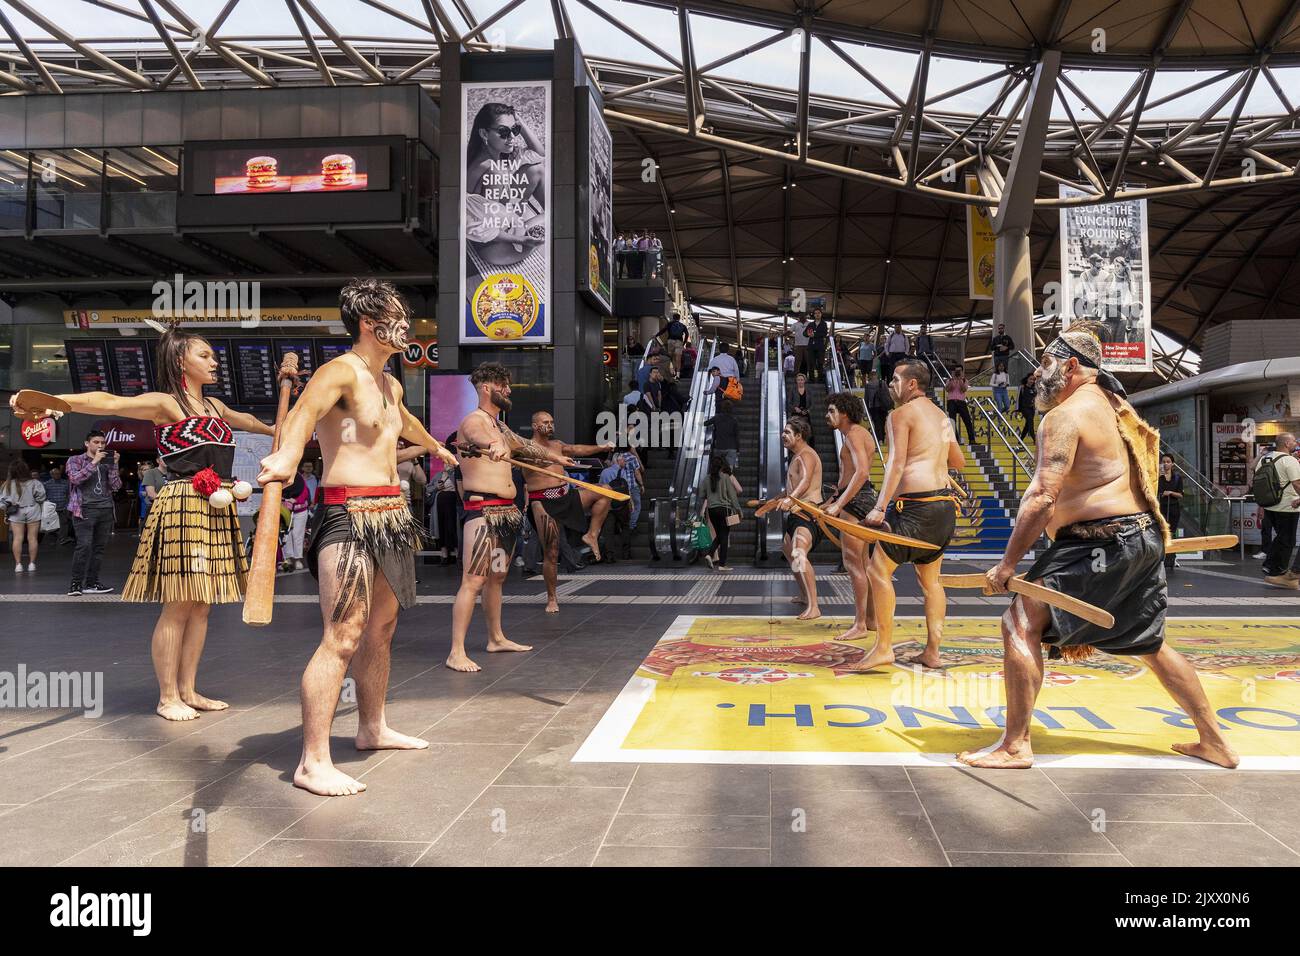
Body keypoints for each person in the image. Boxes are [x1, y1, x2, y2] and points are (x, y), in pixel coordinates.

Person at [959, 322, 1239, 770]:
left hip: (1098, 542)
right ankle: (1215, 741)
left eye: (1046, 364)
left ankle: (1015, 745)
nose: (1037, 375)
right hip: (1140, 537)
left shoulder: (1064, 415)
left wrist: (1008, 565)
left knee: (1017, 623)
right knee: (1148, 644)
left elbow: (1043, 495)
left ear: (1072, 366)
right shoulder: (1115, 405)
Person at [12, 329, 288, 720]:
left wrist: (279, 428)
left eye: (213, 356)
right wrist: (57, 403)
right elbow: (109, 402)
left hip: (218, 506)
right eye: (205, 355)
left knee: (202, 606)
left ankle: (189, 690)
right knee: (178, 605)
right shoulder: (166, 403)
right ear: (181, 361)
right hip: (183, 505)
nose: (214, 362)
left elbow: (245, 420)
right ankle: (167, 696)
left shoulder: (215, 405)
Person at [257, 278, 457, 795]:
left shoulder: (389, 382)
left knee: (382, 630)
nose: (406, 323)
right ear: (369, 323)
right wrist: (285, 456)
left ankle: (371, 727)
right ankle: (312, 762)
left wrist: (439, 446)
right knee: (342, 635)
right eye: (396, 314)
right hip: (347, 515)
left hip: (392, 514)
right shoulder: (338, 371)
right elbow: (302, 417)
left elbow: (403, 420)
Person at [448, 362, 577, 671]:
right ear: (485, 388)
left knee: (497, 577)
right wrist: (490, 445)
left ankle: (496, 638)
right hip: (483, 514)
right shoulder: (474, 421)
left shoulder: (501, 426)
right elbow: (478, 436)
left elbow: (528, 446)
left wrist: (556, 457)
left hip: (506, 515)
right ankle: (456, 652)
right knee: (474, 580)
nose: (507, 389)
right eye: (502, 384)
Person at [844, 358, 963, 672]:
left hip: (916, 507)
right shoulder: (941, 416)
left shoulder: (900, 415)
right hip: (943, 507)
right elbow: (958, 460)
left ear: (913, 384)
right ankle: (933, 652)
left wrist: (879, 507)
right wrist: (934, 461)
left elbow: (895, 463)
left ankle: (883, 648)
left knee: (877, 570)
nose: (890, 384)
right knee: (931, 582)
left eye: (896, 379)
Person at [525, 410, 614, 612]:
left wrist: (601, 447)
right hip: (543, 502)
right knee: (552, 553)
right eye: (545, 422)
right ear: (534, 425)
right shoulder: (526, 448)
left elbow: (577, 449)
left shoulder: (557, 445)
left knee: (605, 491)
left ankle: (592, 534)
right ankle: (551, 598)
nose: (550, 425)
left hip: (565, 495)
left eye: (552, 422)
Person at [823, 391, 880, 641]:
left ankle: (859, 624)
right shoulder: (856, 435)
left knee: (854, 563)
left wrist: (840, 504)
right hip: (858, 497)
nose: (828, 415)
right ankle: (871, 619)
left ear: (845, 413)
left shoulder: (855, 434)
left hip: (856, 499)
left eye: (832, 411)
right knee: (864, 564)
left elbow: (862, 473)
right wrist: (833, 501)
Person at [464, 102, 546, 267]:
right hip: (496, 246)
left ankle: (539, 221)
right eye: (503, 132)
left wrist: (520, 124)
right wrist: (522, 239)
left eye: (514, 130)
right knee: (555, 220)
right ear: (484, 133)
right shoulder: (483, 167)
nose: (512, 138)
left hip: (508, 226)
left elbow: (539, 154)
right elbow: (475, 227)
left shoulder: (498, 154)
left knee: (537, 170)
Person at [62, 432, 121, 595]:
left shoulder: (107, 461)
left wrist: (114, 465)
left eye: (103, 442)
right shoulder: (75, 460)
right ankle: (75, 584)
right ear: (87, 443)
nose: (100, 445)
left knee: (99, 548)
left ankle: (92, 583)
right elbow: (75, 479)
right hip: (84, 509)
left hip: (105, 508)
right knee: (84, 546)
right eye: (96, 442)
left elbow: (116, 486)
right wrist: (94, 462)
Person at [774, 416, 822, 614]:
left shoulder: (806, 455)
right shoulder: (797, 455)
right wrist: (776, 499)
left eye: (787, 432)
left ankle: (814, 606)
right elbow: (794, 486)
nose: (782, 435)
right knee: (788, 551)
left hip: (807, 513)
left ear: (799, 436)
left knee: (798, 554)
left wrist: (791, 499)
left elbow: (805, 481)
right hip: (796, 513)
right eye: (783, 432)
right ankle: (803, 594)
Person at [1257, 433, 1300, 589]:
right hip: (1288, 506)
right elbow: (1297, 485)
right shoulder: (1290, 461)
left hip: (1270, 505)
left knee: (1282, 537)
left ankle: (1271, 566)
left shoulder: (1264, 459)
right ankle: (1278, 571)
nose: (1296, 443)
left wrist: (1261, 506)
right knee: (1287, 539)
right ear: (1287, 444)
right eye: (1295, 440)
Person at [699, 454, 743, 572]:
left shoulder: (707, 479)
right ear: (721, 466)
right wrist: (738, 510)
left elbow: (701, 495)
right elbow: (733, 496)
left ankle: (709, 554)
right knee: (723, 536)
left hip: (712, 511)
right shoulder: (725, 477)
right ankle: (722, 564)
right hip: (724, 509)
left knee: (720, 535)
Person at [2, 459, 45, 572]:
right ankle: (32, 564)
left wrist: (8, 507)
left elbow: (2, 503)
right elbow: (41, 497)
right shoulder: (35, 482)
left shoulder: (8, 484)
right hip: (33, 510)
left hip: (16, 511)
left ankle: (18, 565)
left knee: (17, 538)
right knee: (32, 538)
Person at [1158, 453, 1184, 572]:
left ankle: (1172, 558)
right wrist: (1162, 494)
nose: (1166, 464)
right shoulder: (1159, 478)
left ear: (1172, 464)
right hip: (1162, 508)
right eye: (1164, 462)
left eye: (1168, 461)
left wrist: (1170, 493)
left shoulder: (1177, 478)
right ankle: (1161, 558)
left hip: (1173, 509)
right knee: (1161, 533)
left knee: (1172, 533)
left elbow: (1181, 495)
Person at [704, 398, 741, 471]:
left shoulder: (716, 418)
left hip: (719, 447)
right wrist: (738, 449)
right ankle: (727, 481)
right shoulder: (734, 420)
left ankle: (719, 481)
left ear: (722, 408)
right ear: (731, 409)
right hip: (731, 448)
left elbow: (705, 423)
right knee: (729, 470)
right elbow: (737, 436)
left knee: (717, 469)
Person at [41, 464, 72, 546]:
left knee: (64, 524)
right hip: (51, 508)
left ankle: (63, 539)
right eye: (55, 474)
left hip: (63, 506)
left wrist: (68, 505)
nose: (57, 475)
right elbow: (44, 496)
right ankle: (52, 540)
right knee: (51, 524)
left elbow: (69, 495)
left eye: (58, 473)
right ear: (51, 475)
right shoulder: (46, 484)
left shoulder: (66, 483)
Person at [945, 367, 976, 445]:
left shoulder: (965, 380)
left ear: (962, 371)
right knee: (952, 421)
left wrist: (960, 380)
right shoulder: (950, 380)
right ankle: (956, 440)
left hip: (961, 402)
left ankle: (972, 440)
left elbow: (963, 389)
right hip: (951, 401)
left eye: (959, 371)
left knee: (967, 421)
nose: (957, 373)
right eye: (956, 371)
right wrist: (953, 380)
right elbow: (948, 389)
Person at [863, 370, 890, 446]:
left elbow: (866, 398)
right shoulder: (882, 383)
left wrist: (866, 410)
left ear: (870, 376)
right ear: (877, 375)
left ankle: (879, 439)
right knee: (882, 422)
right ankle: (882, 437)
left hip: (873, 407)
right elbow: (887, 395)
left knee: (876, 423)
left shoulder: (868, 385)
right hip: (882, 406)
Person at [808, 308, 829, 383]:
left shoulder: (824, 324)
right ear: (814, 315)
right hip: (811, 347)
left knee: (820, 363)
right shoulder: (810, 324)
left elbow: (824, 333)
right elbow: (804, 333)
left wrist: (815, 335)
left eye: (818, 313)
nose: (817, 314)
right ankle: (811, 379)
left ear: (821, 314)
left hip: (820, 346)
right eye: (815, 313)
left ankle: (820, 379)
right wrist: (808, 334)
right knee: (811, 363)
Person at [1018, 371, 1037, 441]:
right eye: (1030, 379)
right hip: (1024, 409)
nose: (1032, 381)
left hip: (1032, 409)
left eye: (1033, 379)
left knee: (1027, 425)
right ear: (1027, 379)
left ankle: (1020, 440)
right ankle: (1035, 440)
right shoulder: (1022, 387)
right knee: (1031, 424)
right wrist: (1017, 410)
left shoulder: (1034, 388)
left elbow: (1035, 398)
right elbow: (1018, 399)